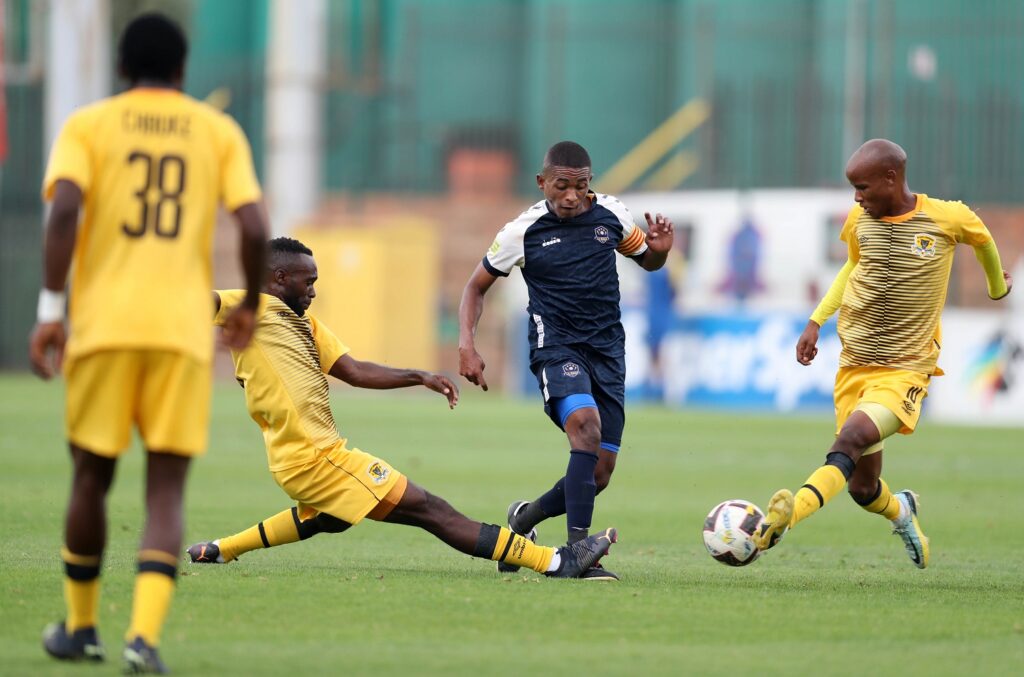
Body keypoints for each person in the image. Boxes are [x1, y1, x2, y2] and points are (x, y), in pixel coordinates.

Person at [28, 13, 268, 673]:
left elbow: (66, 211)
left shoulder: (89, 124)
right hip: (179, 333)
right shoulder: (216, 130)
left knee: (90, 475)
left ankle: (80, 628)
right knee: (165, 489)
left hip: (103, 327)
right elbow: (253, 224)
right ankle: (143, 637)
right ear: (184, 71)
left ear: (122, 68)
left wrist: (52, 310)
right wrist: (247, 302)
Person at [186, 237, 616, 582]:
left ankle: (224, 549)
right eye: (307, 281)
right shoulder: (251, 307)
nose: (314, 291)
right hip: (317, 457)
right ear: (278, 277)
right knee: (431, 510)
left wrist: (419, 376)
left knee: (327, 520)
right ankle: (555, 561)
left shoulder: (303, 322)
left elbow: (353, 371)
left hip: (300, 458)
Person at [753, 139, 1013, 567]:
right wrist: (816, 320)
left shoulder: (946, 217)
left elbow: (983, 240)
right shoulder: (860, 219)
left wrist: (996, 287)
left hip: (905, 370)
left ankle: (786, 515)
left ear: (891, 179)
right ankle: (902, 511)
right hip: (854, 365)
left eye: (862, 187)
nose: (856, 197)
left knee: (849, 440)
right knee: (862, 487)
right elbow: (853, 267)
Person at [458, 141, 674, 580]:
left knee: (599, 474)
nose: (572, 196)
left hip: (609, 352)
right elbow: (475, 287)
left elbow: (646, 260)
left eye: (581, 186)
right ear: (543, 184)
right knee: (585, 427)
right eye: (562, 186)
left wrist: (661, 250)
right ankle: (577, 552)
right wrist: (467, 343)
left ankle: (524, 520)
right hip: (556, 348)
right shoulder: (523, 230)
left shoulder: (612, 214)